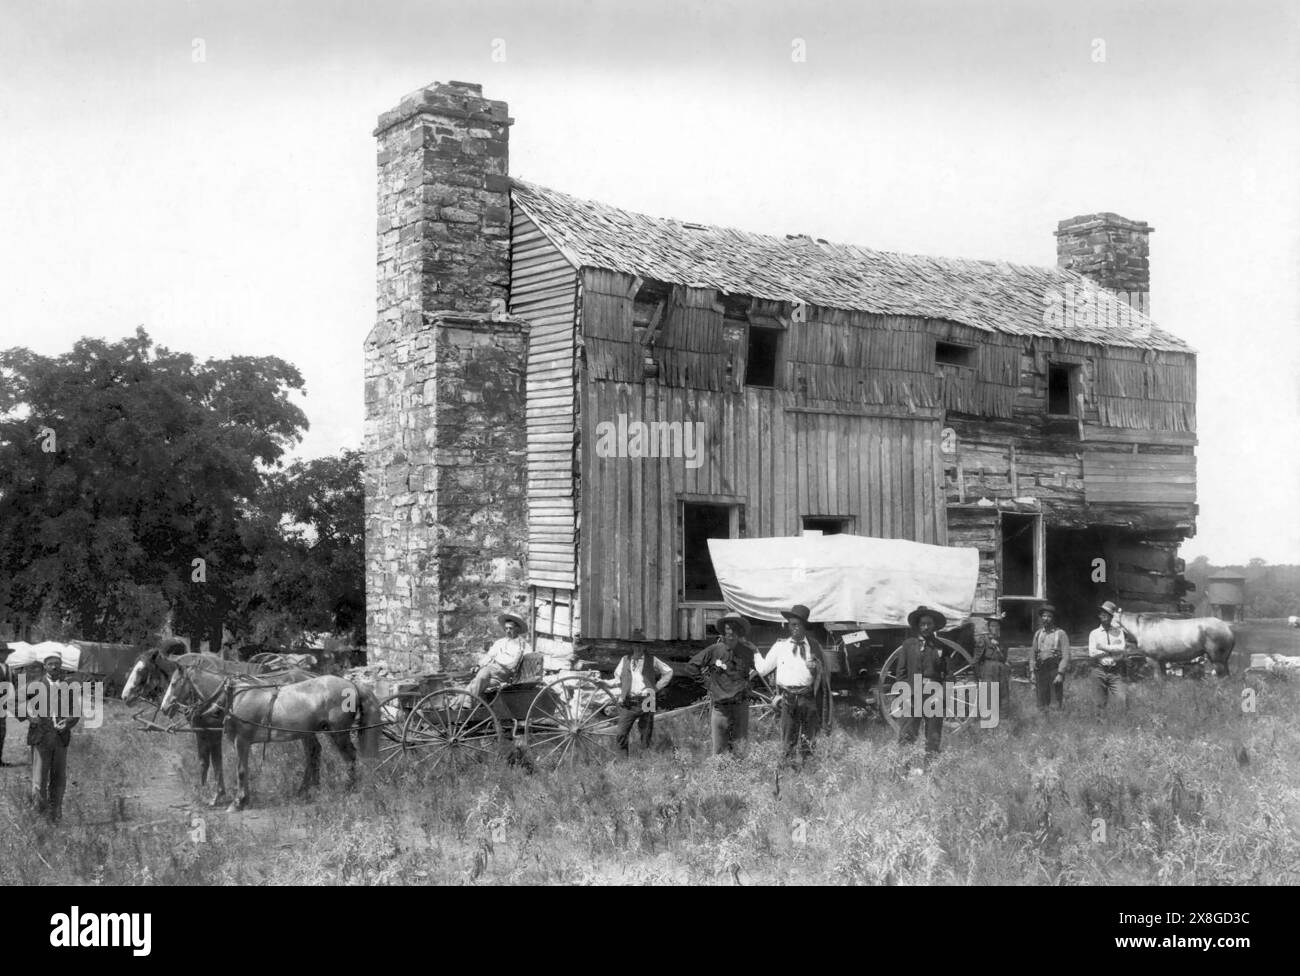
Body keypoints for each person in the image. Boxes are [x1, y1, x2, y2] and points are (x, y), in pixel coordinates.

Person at [754, 604, 825, 767]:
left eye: (799, 625)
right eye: (792, 624)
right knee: (787, 742)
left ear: (805, 627)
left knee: (809, 740)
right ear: (788, 626)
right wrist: (754, 652)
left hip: (808, 699)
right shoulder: (780, 647)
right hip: (788, 700)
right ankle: (788, 775)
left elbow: (823, 675)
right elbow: (763, 669)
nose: (795, 628)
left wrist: (816, 669)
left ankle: (808, 773)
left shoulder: (814, 646)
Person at [687, 614, 758, 756]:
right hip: (721, 709)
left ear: (739, 634)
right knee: (719, 752)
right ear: (724, 634)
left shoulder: (747, 651)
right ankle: (719, 777)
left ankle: (740, 777)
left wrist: (749, 685)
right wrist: (708, 684)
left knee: (740, 749)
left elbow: (761, 668)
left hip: (740, 707)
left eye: (735, 633)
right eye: (728, 633)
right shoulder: (714, 650)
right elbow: (691, 667)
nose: (731, 637)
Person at [893, 606, 958, 761]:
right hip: (912, 695)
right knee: (907, 734)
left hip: (934, 696)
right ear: (918, 626)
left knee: (933, 737)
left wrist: (942, 697)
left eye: (929, 624)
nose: (926, 627)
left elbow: (949, 676)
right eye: (923, 624)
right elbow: (901, 673)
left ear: (934, 626)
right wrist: (905, 696)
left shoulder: (941, 647)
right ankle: (903, 770)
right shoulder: (908, 645)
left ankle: (931, 772)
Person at [28, 651, 79, 822]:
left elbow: (76, 712)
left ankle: (55, 815)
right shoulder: (35, 685)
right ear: (45, 666)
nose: (54, 667)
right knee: (39, 780)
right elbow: (17, 703)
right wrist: (30, 715)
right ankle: (39, 817)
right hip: (41, 739)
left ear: (61, 665)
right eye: (50, 664)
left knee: (59, 780)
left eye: (57, 663)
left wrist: (68, 723)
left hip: (60, 739)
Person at [611, 648, 674, 756]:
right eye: (635, 645)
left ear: (644, 647)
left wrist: (656, 687)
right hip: (629, 700)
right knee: (621, 732)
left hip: (648, 698)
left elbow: (668, 672)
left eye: (640, 645)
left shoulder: (652, 660)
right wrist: (621, 692)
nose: (638, 648)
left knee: (646, 731)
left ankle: (644, 758)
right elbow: (617, 677)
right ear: (632, 646)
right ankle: (622, 761)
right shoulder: (625, 659)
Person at [463, 612, 529, 701]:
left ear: (517, 629)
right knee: (476, 683)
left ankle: (465, 704)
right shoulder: (500, 642)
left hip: (504, 673)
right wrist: (478, 665)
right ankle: (459, 706)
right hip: (493, 671)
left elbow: (518, 665)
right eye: (506, 628)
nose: (508, 631)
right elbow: (489, 656)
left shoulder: (523, 645)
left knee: (481, 678)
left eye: (511, 628)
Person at [1088, 601, 1128, 712]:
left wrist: (1102, 647)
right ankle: (1101, 726)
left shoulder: (1118, 632)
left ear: (1111, 616)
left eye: (1108, 613)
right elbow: (1092, 653)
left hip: (1115, 671)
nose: (1104, 615)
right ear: (1099, 615)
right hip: (1099, 670)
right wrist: (1112, 650)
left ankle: (1121, 726)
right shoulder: (1094, 633)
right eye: (1102, 613)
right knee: (1099, 703)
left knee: (1122, 699)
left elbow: (1122, 649)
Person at [1030, 604, 1070, 710]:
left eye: (1049, 616)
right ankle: (1043, 723)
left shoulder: (1060, 634)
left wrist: (1060, 673)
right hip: (1040, 670)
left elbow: (1066, 656)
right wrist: (1032, 672)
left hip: (1054, 670)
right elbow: (1032, 655)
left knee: (1055, 700)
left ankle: (1056, 723)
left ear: (1053, 618)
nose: (1046, 619)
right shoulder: (1038, 634)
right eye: (1043, 616)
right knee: (1041, 701)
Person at [0, 643, 15, 766]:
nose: (3, 655)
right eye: (1, 653)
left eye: (5, 653)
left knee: (1, 732)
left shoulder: (8, 668)